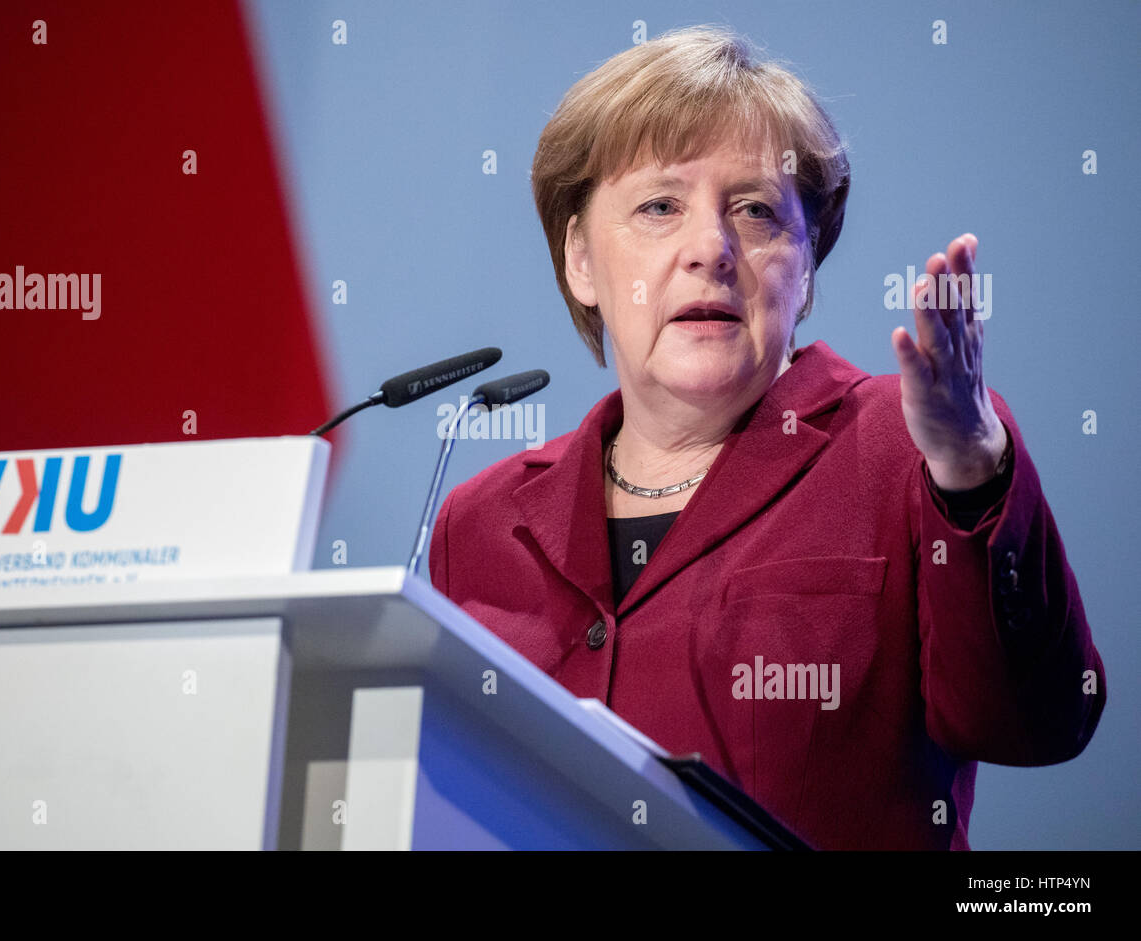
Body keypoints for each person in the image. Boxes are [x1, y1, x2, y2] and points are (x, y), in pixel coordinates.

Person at [428, 25, 1106, 850]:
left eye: (754, 210)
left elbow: (1039, 722)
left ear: (809, 261)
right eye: (659, 206)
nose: (710, 248)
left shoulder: (909, 450)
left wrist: (971, 467)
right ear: (579, 258)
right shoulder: (482, 521)